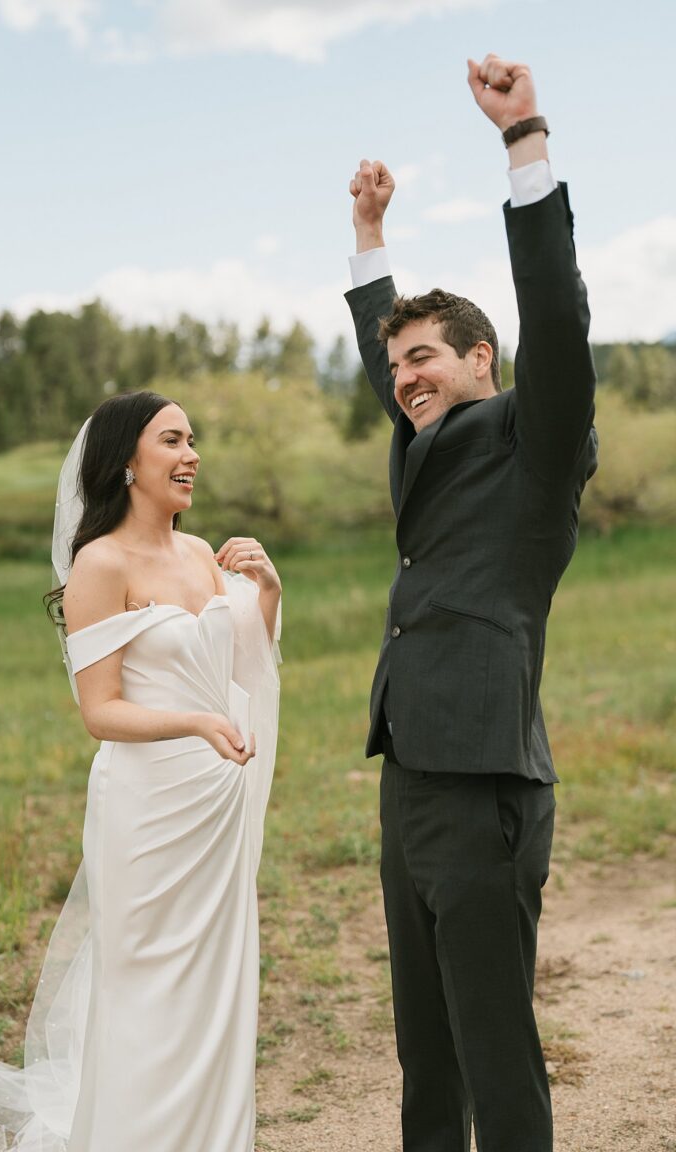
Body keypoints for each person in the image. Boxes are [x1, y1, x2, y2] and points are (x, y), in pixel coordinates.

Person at [345, 55, 597, 1152]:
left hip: (488, 779)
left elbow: (557, 306)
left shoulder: (534, 443)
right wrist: (369, 235)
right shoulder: (426, 447)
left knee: (493, 1042)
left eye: (427, 358)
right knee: (424, 1047)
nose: (405, 377)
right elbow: (381, 356)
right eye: (398, 363)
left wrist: (524, 139)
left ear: (484, 361)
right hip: (410, 773)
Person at [0, 390, 281, 1152]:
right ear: (127, 461)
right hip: (149, 810)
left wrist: (268, 592)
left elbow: (241, 667)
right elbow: (100, 711)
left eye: (193, 438)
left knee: (215, 992)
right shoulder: (99, 565)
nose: (191, 454)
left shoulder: (200, 555)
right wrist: (196, 722)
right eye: (172, 440)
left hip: (213, 807)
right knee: (146, 995)